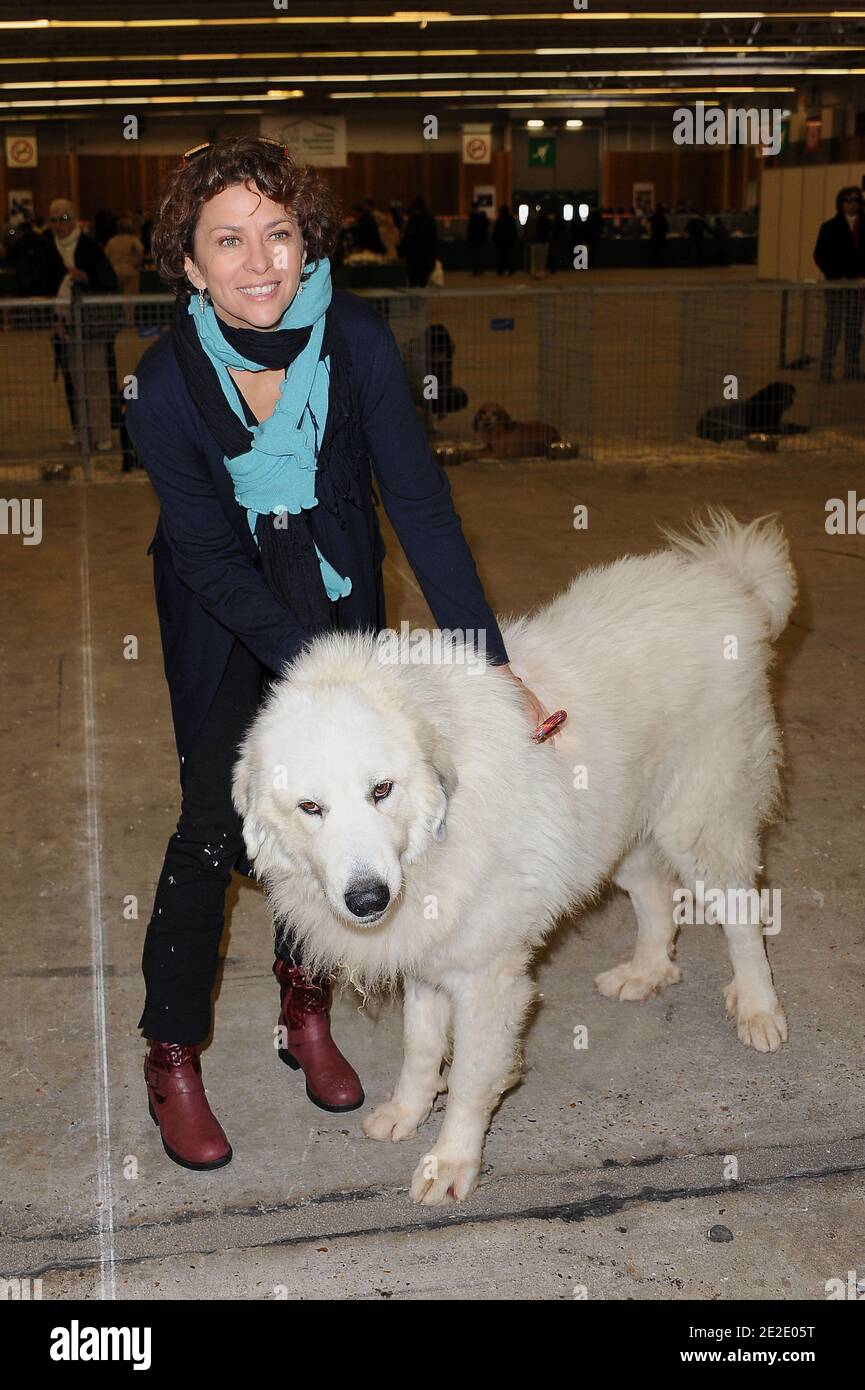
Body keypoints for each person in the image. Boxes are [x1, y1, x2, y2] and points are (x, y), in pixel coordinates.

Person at [125, 135, 554, 1172]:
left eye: (278, 234)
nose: (259, 260)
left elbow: (416, 500)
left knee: (344, 808)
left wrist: (485, 657)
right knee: (213, 827)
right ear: (189, 262)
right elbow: (210, 558)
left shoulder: (354, 340)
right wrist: (323, 673)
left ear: (305, 242)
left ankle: (301, 1011)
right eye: (227, 240)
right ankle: (171, 1054)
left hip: (337, 586)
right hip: (219, 611)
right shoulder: (163, 384)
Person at [43, 197, 119, 450]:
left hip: (91, 326)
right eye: (54, 220)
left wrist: (85, 278)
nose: (59, 225)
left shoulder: (89, 248)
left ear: (73, 219)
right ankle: (81, 431)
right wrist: (54, 319)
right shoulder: (48, 248)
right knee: (74, 382)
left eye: (63, 219)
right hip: (64, 326)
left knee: (96, 380)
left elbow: (109, 282)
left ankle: (102, 433)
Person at [813, 185, 865, 383]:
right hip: (836, 286)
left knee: (854, 330)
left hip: (858, 286)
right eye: (848, 200)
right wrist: (836, 275)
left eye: (857, 200)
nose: (853, 204)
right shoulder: (829, 227)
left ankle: (852, 369)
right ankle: (826, 371)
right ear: (840, 203)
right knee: (833, 329)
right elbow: (820, 255)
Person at [105, 218, 145, 324]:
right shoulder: (133, 240)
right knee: (130, 300)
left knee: (114, 299)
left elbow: (106, 255)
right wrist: (136, 263)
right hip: (130, 271)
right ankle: (129, 322)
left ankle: (114, 321)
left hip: (115, 272)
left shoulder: (111, 241)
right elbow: (140, 250)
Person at [399, 196, 438, 287]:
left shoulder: (413, 220)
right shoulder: (429, 219)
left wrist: (403, 252)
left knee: (415, 282)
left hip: (416, 257)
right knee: (421, 282)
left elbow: (407, 238)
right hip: (423, 256)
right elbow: (434, 239)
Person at [492, 204, 518, 276]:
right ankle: (509, 269)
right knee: (508, 255)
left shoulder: (500, 219)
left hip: (501, 241)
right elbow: (514, 231)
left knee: (502, 256)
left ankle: (501, 270)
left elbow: (496, 231)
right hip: (509, 241)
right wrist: (514, 240)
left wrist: (495, 239)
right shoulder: (510, 219)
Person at [467, 200, 488, 276]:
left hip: (475, 238)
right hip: (480, 238)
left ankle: (476, 270)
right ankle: (479, 269)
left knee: (475, 255)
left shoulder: (473, 216)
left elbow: (470, 228)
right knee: (480, 255)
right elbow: (486, 225)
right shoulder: (482, 215)